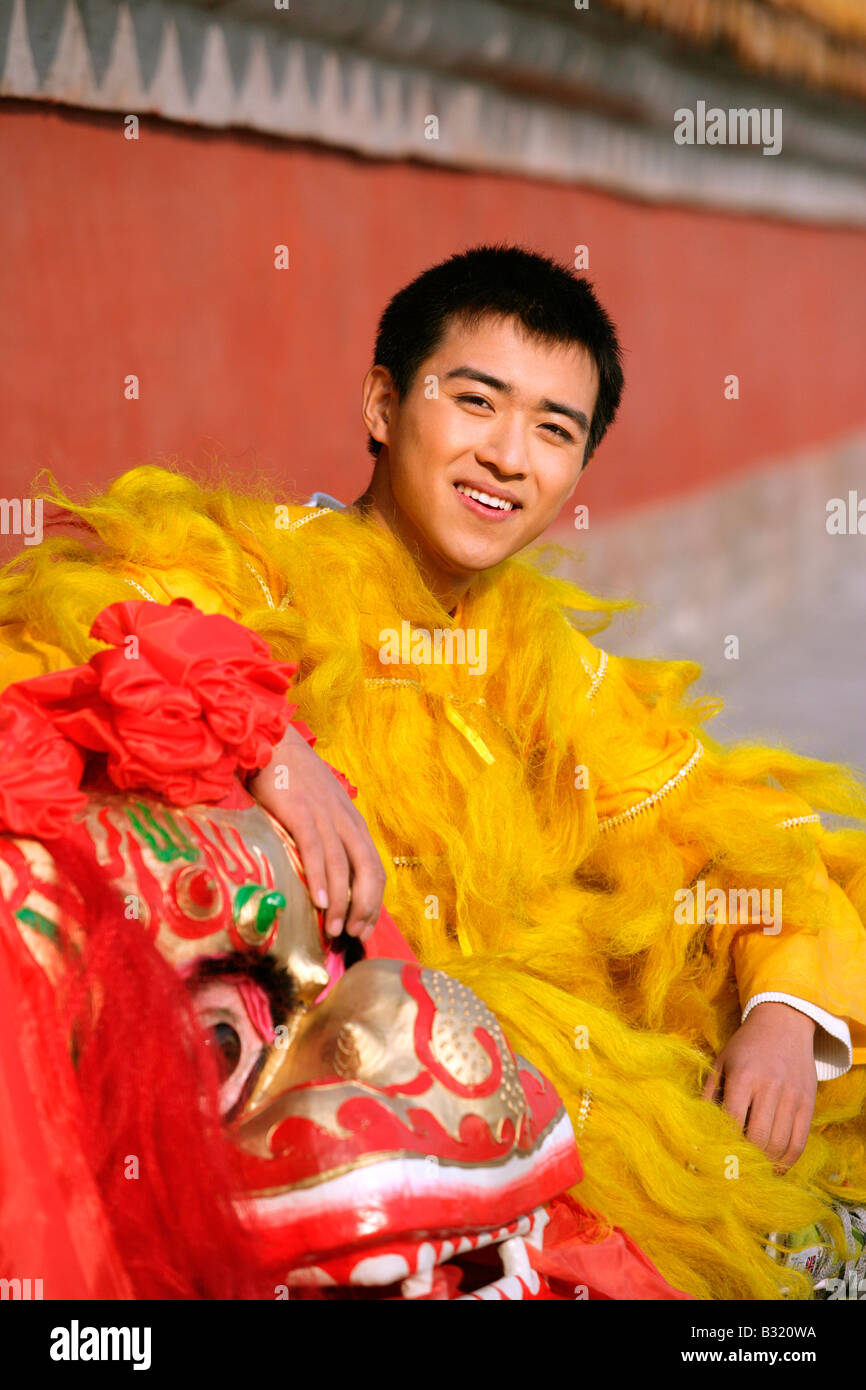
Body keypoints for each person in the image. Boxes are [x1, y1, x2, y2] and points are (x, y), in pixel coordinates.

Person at [2, 245, 865, 1300]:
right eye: (476, 402)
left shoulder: (554, 667)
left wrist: (784, 1020)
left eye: (553, 431)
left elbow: (730, 827)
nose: (507, 456)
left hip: (565, 1075)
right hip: (352, 1102)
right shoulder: (257, 566)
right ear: (380, 402)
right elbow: (80, 636)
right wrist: (263, 741)